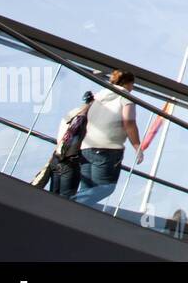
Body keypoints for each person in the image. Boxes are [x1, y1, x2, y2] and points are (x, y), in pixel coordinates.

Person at [76, 70, 144, 204]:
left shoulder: (99, 96)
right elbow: (129, 122)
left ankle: (72, 213)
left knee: (87, 191)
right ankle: (68, 203)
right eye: (132, 84)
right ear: (128, 83)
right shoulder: (125, 96)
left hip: (87, 147)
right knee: (106, 187)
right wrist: (137, 146)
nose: (132, 88)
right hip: (107, 149)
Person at [48, 91, 95, 199]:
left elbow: (60, 138)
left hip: (56, 158)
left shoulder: (71, 113)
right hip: (70, 162)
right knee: (64, 202)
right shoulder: (86, 119)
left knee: (51, 198)